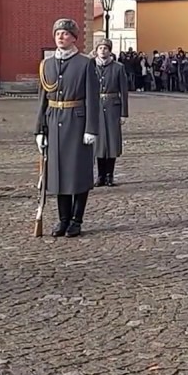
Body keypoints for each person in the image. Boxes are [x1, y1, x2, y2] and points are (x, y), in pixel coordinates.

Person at [35, 19, 99, 237]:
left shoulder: (85, 63)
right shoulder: (47, 65)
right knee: (58, 173)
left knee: (78, 173)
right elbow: (43, 99)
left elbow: (92, 97)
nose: (60, 37)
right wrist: (39, 130)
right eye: (58, 33)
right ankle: (63, 219)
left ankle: (76, 219)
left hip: (77, 122)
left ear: (74, 38)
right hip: (54, 122)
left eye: (65, 33)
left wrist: (91, 128)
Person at [93, 37, 128, 186]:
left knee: (112, 142)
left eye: (105, 48)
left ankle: (109, 175)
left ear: (110, 50)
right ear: (96, 50)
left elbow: (124, 91)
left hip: (113, 107)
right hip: (96, 107)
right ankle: (100, 175)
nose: (103, 51)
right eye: (100, 48)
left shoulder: (118, 67)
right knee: (99, 143)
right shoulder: (91, 66)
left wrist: (123, 113)